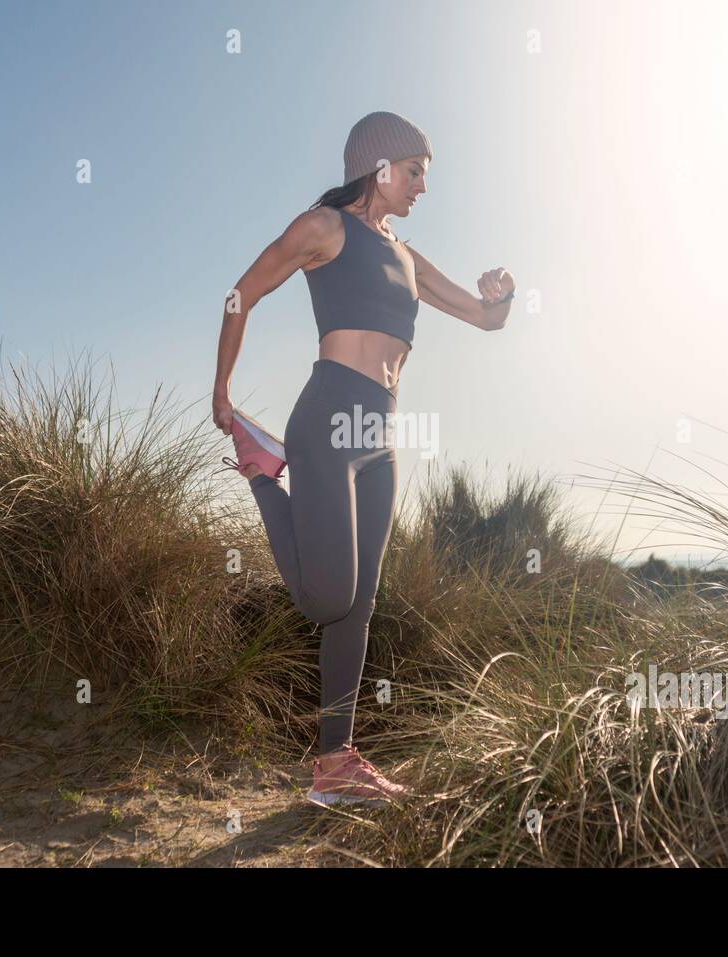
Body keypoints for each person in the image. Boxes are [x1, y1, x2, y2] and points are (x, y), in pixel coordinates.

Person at [212, 110, 516, 806]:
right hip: (329, 415)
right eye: (415, 173)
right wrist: (222, 386)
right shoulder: (325, 229)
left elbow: (481, 316)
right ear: (380, 169)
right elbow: (241, 292)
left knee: (360, 604)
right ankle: (264, 471)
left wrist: (503, 296)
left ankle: (335, 765)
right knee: (328, 596)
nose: (422, 187)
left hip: (382, 436)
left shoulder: (406, 256)